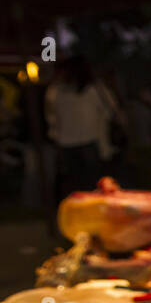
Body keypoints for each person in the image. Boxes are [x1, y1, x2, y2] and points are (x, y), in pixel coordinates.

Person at [45, 55, 123, 199]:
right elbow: (111, 112)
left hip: (69, 143)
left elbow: (52, 118)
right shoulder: (95, 90)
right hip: (88, 142)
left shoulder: (56, 92)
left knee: (75, 185)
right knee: (90, 184)